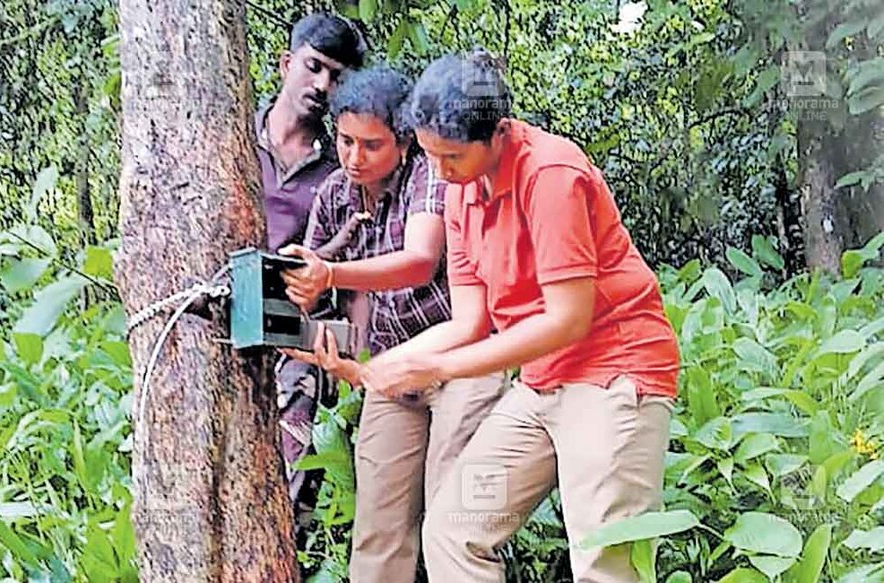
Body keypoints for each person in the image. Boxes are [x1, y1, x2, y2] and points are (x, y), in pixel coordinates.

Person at [329, 52, 680, 582]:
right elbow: (467, 323)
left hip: (613, 377)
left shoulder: (551, 174)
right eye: (430, 156)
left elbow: (567, 320)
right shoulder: (460, 193)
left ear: (498, 134)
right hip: (541, 385)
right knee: (454, 531)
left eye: (452, 156)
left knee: (603, 562)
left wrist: (439, 369)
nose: (441, 172)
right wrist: (372, 368)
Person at [278, 66, 505, 583]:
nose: (355, 158)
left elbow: (420, 259)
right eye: (346, 141)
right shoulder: (334, 195)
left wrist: (330, 272)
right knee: (378, 529)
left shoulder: (431, 175)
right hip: (390, 369)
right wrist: (310, 333)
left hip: (461, 359)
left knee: (457, 518)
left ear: (403, 143)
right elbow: (312, 289)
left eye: (372, 145)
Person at [254, 12, 366, 515]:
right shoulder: (232, 137)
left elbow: (355, 272)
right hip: (221, 308)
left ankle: (289, 541)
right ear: (287, 64)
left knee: (293, 474)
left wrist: (354, 357)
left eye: (336, 77)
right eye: (313, 67)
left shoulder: (343, 166)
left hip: (295, 323)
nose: (322, 85)